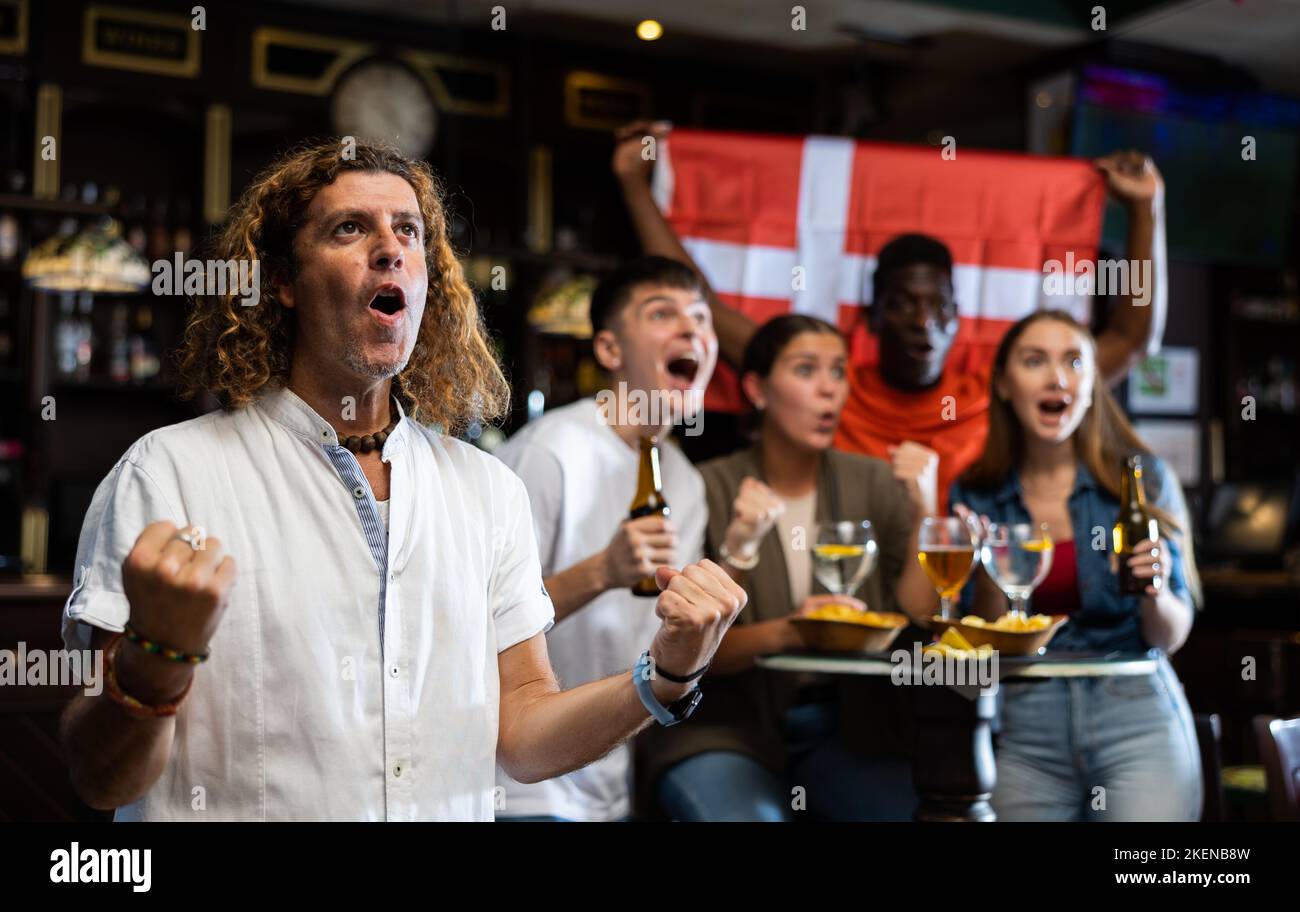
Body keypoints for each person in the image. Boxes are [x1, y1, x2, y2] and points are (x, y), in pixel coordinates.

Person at [57, 139, 746, 821]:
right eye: (349, 228)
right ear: (284, 283)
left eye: (409, 232)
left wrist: (666, 674)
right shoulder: (172, 475)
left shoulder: (486, 491)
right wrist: (156, 660)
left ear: (426, 281)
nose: (390, 247)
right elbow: (100, 779)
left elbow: (525, 735)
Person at [613, 121, 1166, 508]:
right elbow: (701, 305)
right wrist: (636, 186)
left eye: (938, 306)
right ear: (873, 318)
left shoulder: (990, 393)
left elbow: (1131, 341)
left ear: (959, 317)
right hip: (848, 612)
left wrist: (1145, 210)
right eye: (902, 304)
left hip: (966, 622)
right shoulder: (829, 389)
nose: (922, 321)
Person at [638, 314, 939, 821]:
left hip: (851, 730)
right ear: (756, 388)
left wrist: (927, 514)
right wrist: (795, 631)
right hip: (725, 728)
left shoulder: (874, 482)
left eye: (838, 372)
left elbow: (918, 612)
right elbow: (682, 649)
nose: (829, 391)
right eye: (806, 370)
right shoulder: (701, 487)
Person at [943, 309, 1202, 821]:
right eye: (1034, 360)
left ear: (1090, 384)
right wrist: (986, 571)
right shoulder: (975, 491)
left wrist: (1156, 591)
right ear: (1002, 384)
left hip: (1136, 710)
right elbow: (986, 639)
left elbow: (1169, 635)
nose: (1056, 377)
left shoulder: (1141, 478)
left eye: (1073, 361)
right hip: (1023, 720)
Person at [492, 255, 719, 822]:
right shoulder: (548, 452)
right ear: (610, 350)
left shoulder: (687, 482)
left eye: (701, 316)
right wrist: (601, 571)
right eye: (662, 313)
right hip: (519, 784)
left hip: (609, 782)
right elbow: (478, 627)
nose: (692, 329)